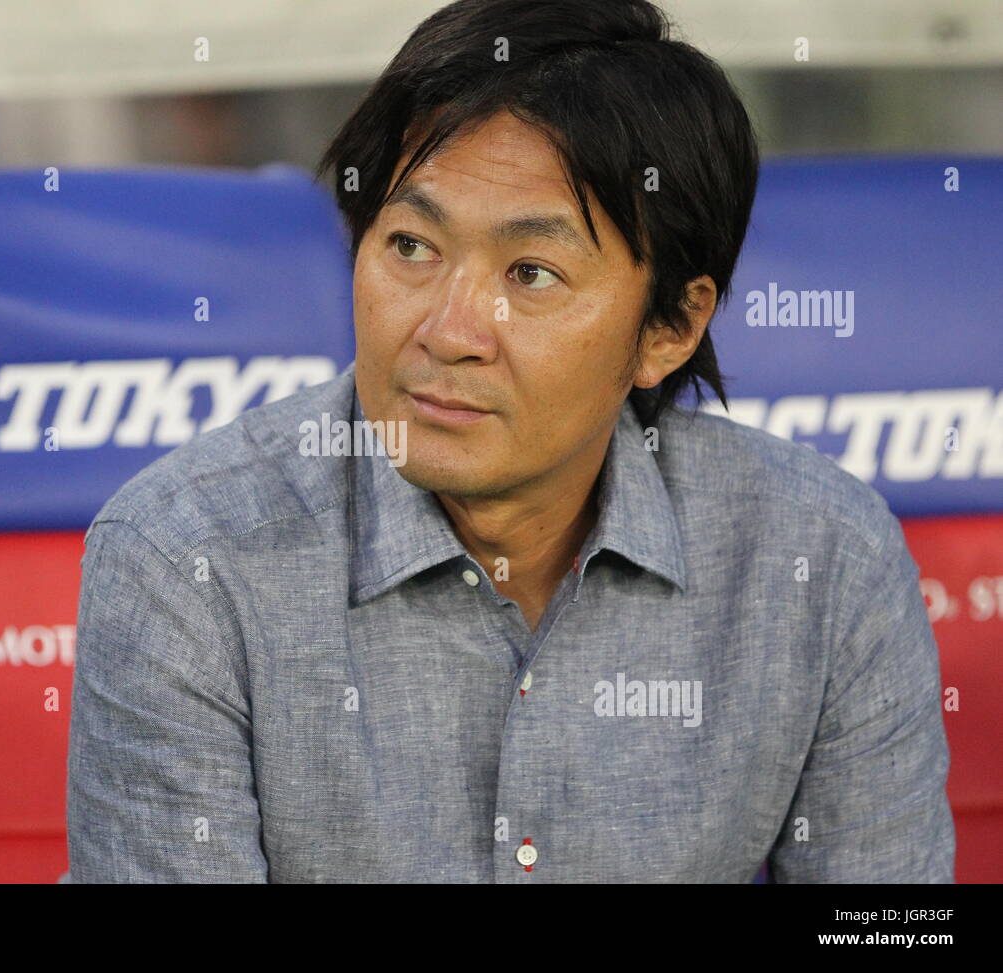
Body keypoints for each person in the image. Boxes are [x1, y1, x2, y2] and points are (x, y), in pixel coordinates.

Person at [67, 0, 954, 882]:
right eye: (411, 245)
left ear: (670, 329)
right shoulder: (185, 560)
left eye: (531, 274)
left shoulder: (823, 559)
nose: (450, 329)